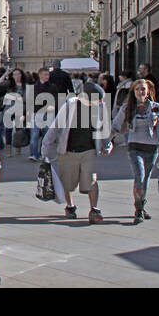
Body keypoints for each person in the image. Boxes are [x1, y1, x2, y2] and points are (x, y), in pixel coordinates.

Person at [41, 77, 110, 224]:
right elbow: (55, 127)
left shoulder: (100, 108)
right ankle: (70, 206)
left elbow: (104, 128)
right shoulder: (70, 106)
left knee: (91, 180)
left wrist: (107, 144)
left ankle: (94, 209)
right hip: (68, 150)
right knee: (68, 182)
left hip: (89, 150)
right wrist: (45, 149)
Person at [108, 79, 159, 224]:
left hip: (151, 147)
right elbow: (116, 125)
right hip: (134, 146)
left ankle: (142, 206)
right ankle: (138, 209)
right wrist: (107, 142)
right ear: (133, 92)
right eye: (137, 90)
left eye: (143, 89)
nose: (140, 92)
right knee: (139, 176)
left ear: (148, 91)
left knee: (146, 179)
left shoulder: (156, 107)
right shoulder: (127, 107)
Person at [28, 68, 55, 161]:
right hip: (36, 113)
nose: (47, 76)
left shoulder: (52, 87)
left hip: (49, 113)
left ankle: (44, 154)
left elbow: (57, 100)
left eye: (48, 74)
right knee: (34, 134)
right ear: (40, 75)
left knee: (46, 135)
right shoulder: (34, 87)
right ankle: (34, 154)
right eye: (45, 74)